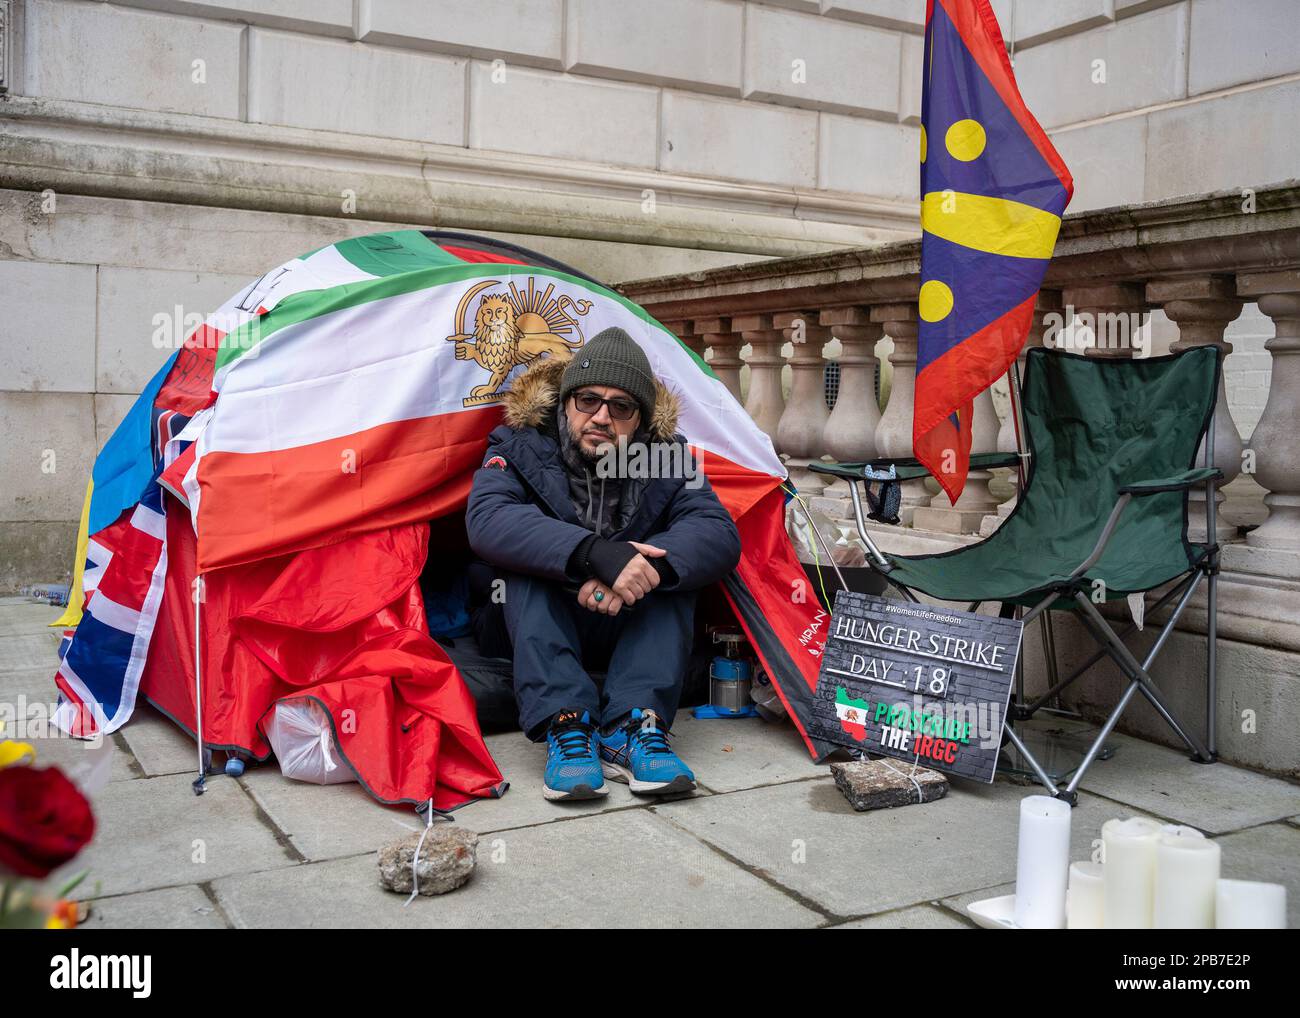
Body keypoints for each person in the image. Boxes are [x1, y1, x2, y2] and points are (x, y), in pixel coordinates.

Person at [465, 326, 741, 802]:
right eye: (588, 400)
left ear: (640, 419)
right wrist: (594, 556)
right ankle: (567, 725)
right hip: (529, 623)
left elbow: (716, 531)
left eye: (621, 406)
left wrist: (645, 568)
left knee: (671, 567)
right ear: (565, 402)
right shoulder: (517, 446)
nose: (601, 416)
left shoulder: (669, 460)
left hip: (626, 620)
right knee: (521, 566)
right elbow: (490, 520)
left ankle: (635, 726)